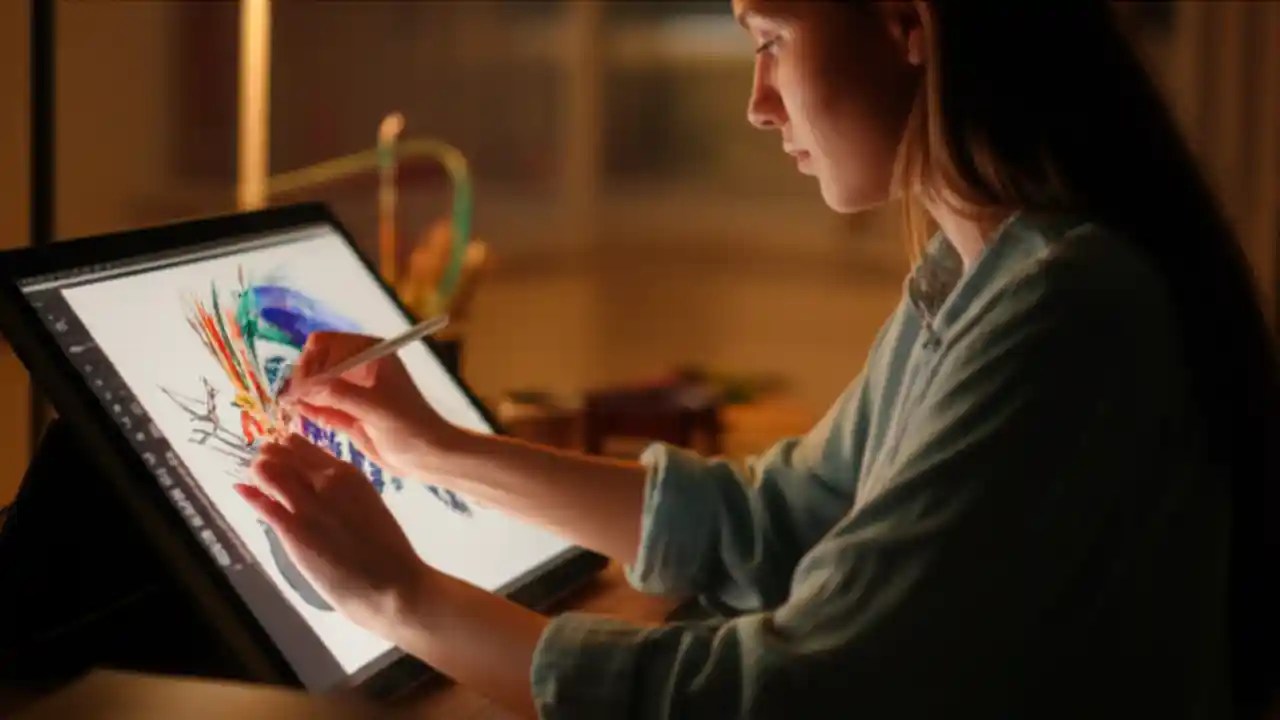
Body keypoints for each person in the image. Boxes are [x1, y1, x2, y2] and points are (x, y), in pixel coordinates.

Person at [239, 1, 1279, 718]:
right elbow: (774, 522)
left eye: (769, 36)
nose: (755, 99)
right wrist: (438, 452)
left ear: (906, 24)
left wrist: (402, 601)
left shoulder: (1066, 309)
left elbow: (794, 702)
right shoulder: (982, 280)